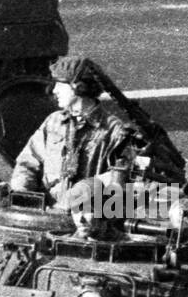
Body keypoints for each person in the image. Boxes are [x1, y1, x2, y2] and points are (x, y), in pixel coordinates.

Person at [10, 57, 138, 210]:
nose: (54, 90)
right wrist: (21, 191)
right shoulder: (54, 121)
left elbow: (124, 178)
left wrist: (85, 190)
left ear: (80, 87)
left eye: (60, 85)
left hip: (85, 217)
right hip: (46, 212)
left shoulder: (115, 131)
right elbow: (28, 161)